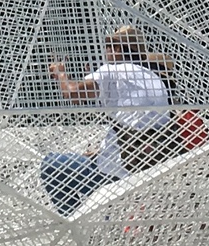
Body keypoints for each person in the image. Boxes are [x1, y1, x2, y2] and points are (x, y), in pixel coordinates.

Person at [39, 27, 176, 213]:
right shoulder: (154, 78)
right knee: (96, 165)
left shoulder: (112, 71)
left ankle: (73, 222)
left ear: (117, 49)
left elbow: (73, 93)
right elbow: (134, 123)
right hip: (150, 170)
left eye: (108, 46)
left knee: (51, 164)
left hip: (117, 175)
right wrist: (102, 150)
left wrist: (61, 74)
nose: (106, 52)